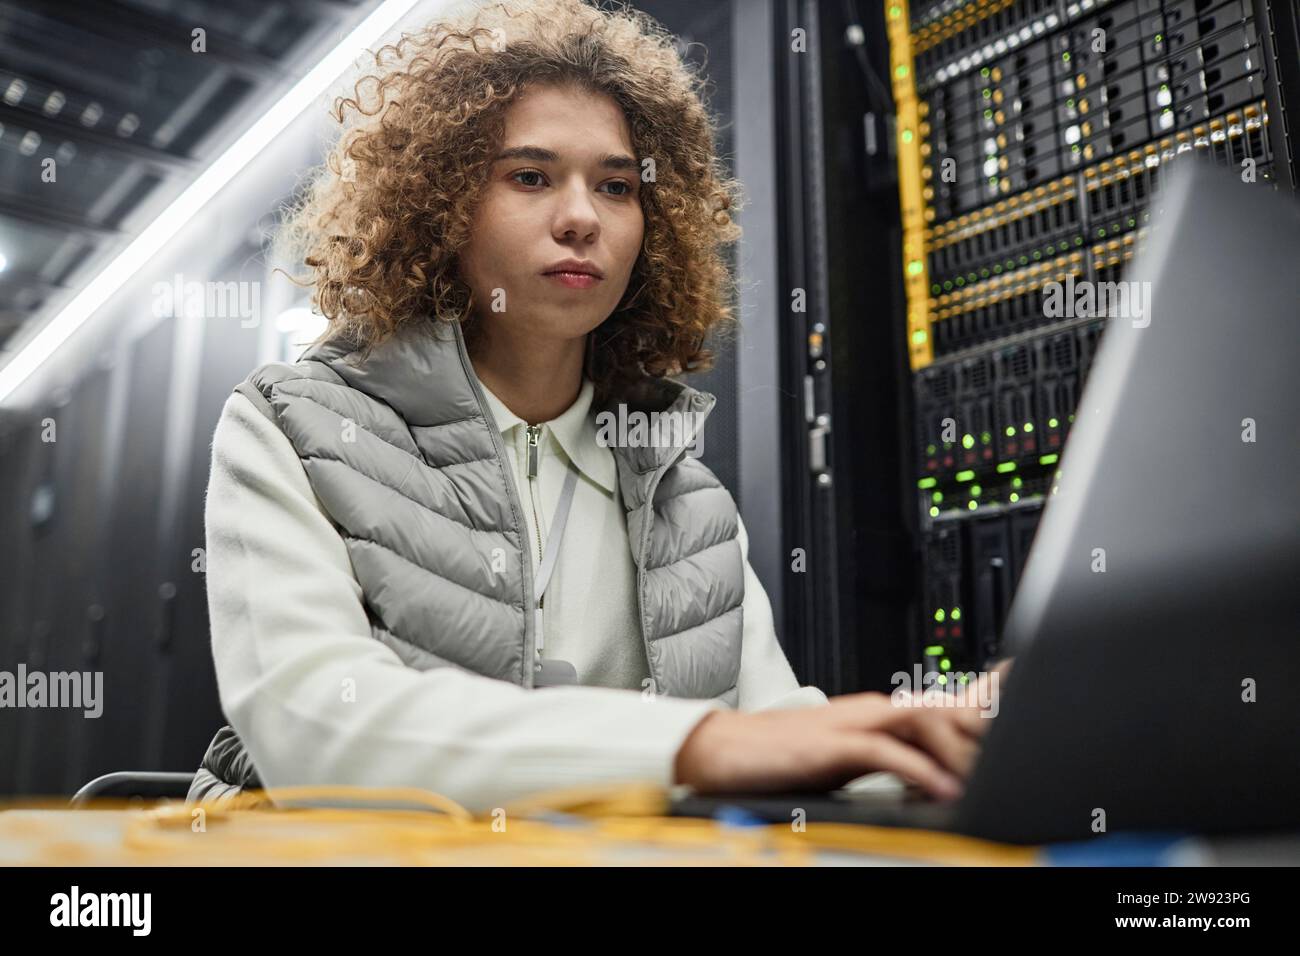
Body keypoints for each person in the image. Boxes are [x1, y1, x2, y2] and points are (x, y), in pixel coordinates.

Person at [193, 0, 993, 812]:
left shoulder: (682, 494)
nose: (581, 218)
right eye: (530, 176)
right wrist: (697, 748)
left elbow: (781, 736)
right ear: (440, 205)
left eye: (616, 186)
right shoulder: (291, 426)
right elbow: (319, 729)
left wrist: (955, 747)